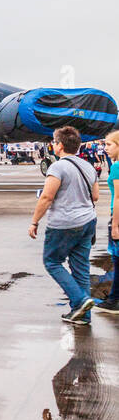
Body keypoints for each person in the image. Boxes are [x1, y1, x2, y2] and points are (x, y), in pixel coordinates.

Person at [29, 126, 99, 325]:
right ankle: (82, 315)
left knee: (52, 262)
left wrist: (34, 221)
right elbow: (95, 196)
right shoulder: (88, 166)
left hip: (64, 224)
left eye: (54, 142)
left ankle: (80, 300)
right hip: (87, 221)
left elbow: (47, 197)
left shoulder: (57, 167)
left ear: (59, 145)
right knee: (81, 268)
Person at [94, 130, 119, 314]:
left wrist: (116, 224)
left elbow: (118, 197)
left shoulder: (117, 167)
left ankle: (113, 300)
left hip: (117, 216)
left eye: (109, 144)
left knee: (117, 261)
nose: (105, 148)